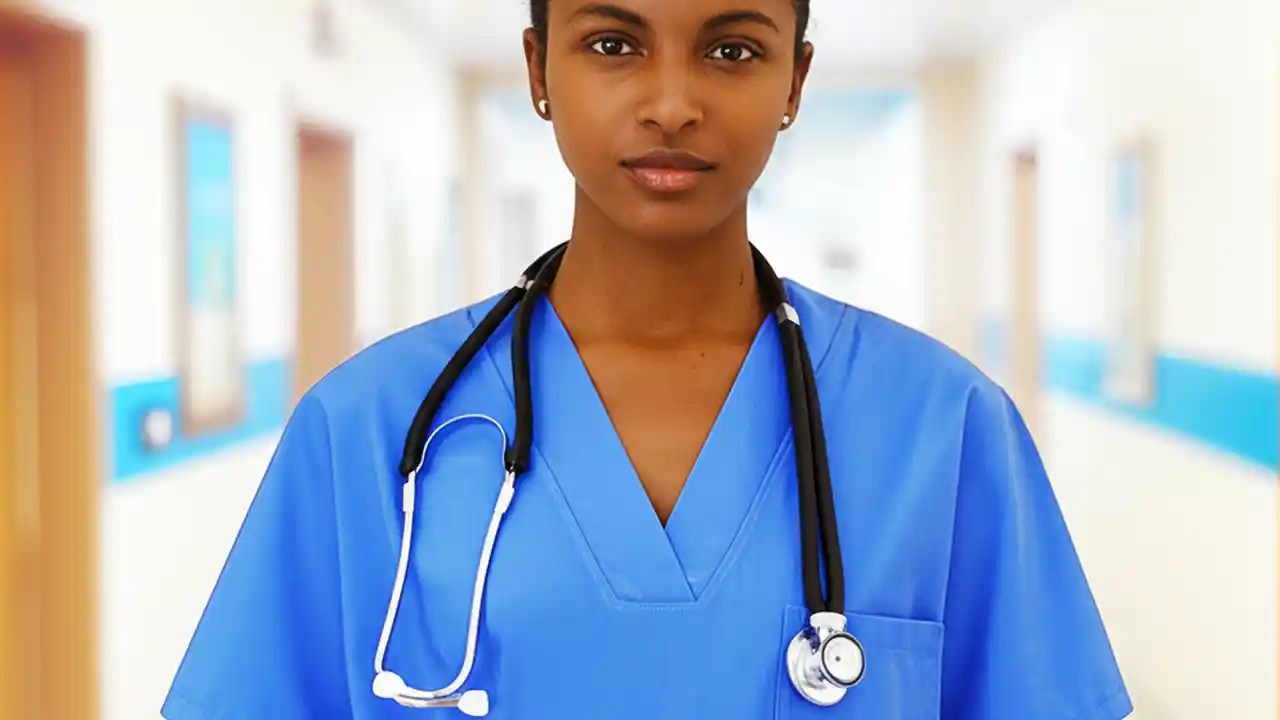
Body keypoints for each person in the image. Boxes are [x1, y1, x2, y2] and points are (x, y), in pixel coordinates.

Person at [162, 1, 1133, 718]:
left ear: (793, 82)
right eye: (613, 44)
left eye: (730, 48)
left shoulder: (942, 425)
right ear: (539, 68)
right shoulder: (367, 428)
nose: (671, 103)